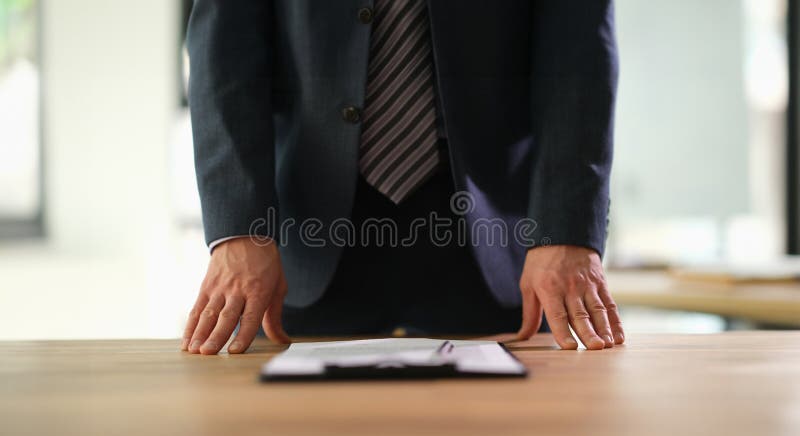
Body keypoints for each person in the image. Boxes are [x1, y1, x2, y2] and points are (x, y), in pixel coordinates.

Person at [181, 0, 625, 355]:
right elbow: (223, 57)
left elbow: (580, 60)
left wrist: (566, 229)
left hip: (506, 254)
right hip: (299, 257)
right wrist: (241, 229)